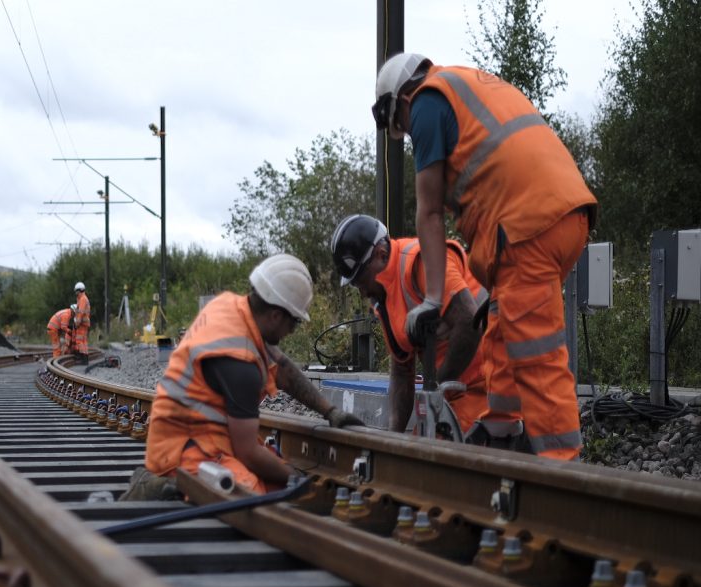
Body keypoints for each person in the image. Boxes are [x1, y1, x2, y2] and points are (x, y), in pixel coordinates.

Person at [372, 53, 597, 460]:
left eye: (401, 126)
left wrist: (433, 299)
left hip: (526, 228)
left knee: (537, 356)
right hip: (564, 216)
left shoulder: (425, 101)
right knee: (500, 330)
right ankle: (501, 431)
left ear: (400, 101)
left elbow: (429, 211)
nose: (409, 132)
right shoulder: (464, 83)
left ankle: (563, 470)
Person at [144, 254, 364, 493]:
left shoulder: (230, 307)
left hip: (203, 436)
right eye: (295, 322)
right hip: (181, 450)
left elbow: (283, 369)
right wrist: (299, 480)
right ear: (275, 316)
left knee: (275, 484)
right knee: (252, 495)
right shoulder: (240, 363)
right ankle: (158, 487)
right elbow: (248, 453)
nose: (292, 330)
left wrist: (330, 412)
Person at [331, 214, 487, 435]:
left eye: (362, 280)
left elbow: (469, 322)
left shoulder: (421, 262)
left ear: (381, 254)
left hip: (488, 384)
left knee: (435, 453)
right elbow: (402, 372)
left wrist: (436, 387)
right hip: (452, 393)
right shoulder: (383, 297)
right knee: (415, 449)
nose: (363, 292)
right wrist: (392, 439)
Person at [73, 281, 91, 364]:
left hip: (82, 323)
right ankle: (85, 358)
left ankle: (83, 358)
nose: (75, 293)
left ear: (79, 290)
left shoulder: (82, 299)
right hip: (84, 323)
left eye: (76, 291)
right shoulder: (82, 298)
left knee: (79, 341)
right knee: (84, 341)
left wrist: (77, 323)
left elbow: (80, 313)